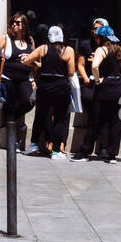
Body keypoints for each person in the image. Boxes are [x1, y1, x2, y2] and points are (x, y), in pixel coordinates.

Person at [22, 25, 76, 159]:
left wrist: (39, 65)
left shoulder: (43, 48)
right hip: (61, 87)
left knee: (40, 115)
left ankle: (34, 143)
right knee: (59, 118)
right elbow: (70, 72)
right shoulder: (68, 50)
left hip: (45, 86)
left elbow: (27, 61)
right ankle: (57, 151)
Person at [88, 24, 121, 164]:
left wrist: (98, 80)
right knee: (117, 122)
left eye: (97, 36)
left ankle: (85, 151)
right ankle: (112, 155)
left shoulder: (101, 49)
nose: (96, 39)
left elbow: (94, 66)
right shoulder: (119, 50)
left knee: (96, 120)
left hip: (104, 89)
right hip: (118, 90)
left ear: (101, 38)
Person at [0, 13, 35, 152]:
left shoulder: (30, 41)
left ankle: (15, 119)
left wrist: (33, 79)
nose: (14, 24)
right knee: (10, 105)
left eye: (17, 22)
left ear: (24, 25)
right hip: (6, 78)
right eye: (12, 22)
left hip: (24, 79)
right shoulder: (5, 39)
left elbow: (34, 63)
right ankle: (12, 141)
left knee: (29, 101)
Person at [73, 20, 106, 160]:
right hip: (89, 82)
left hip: (104, 84)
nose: (95, 31)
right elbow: (80, 64)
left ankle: (103, 146)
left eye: (99, 29)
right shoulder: (86, 45)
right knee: (88, 100)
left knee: (102, 114)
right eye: (94, 28)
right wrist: (85, 77)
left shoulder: (109, 47)